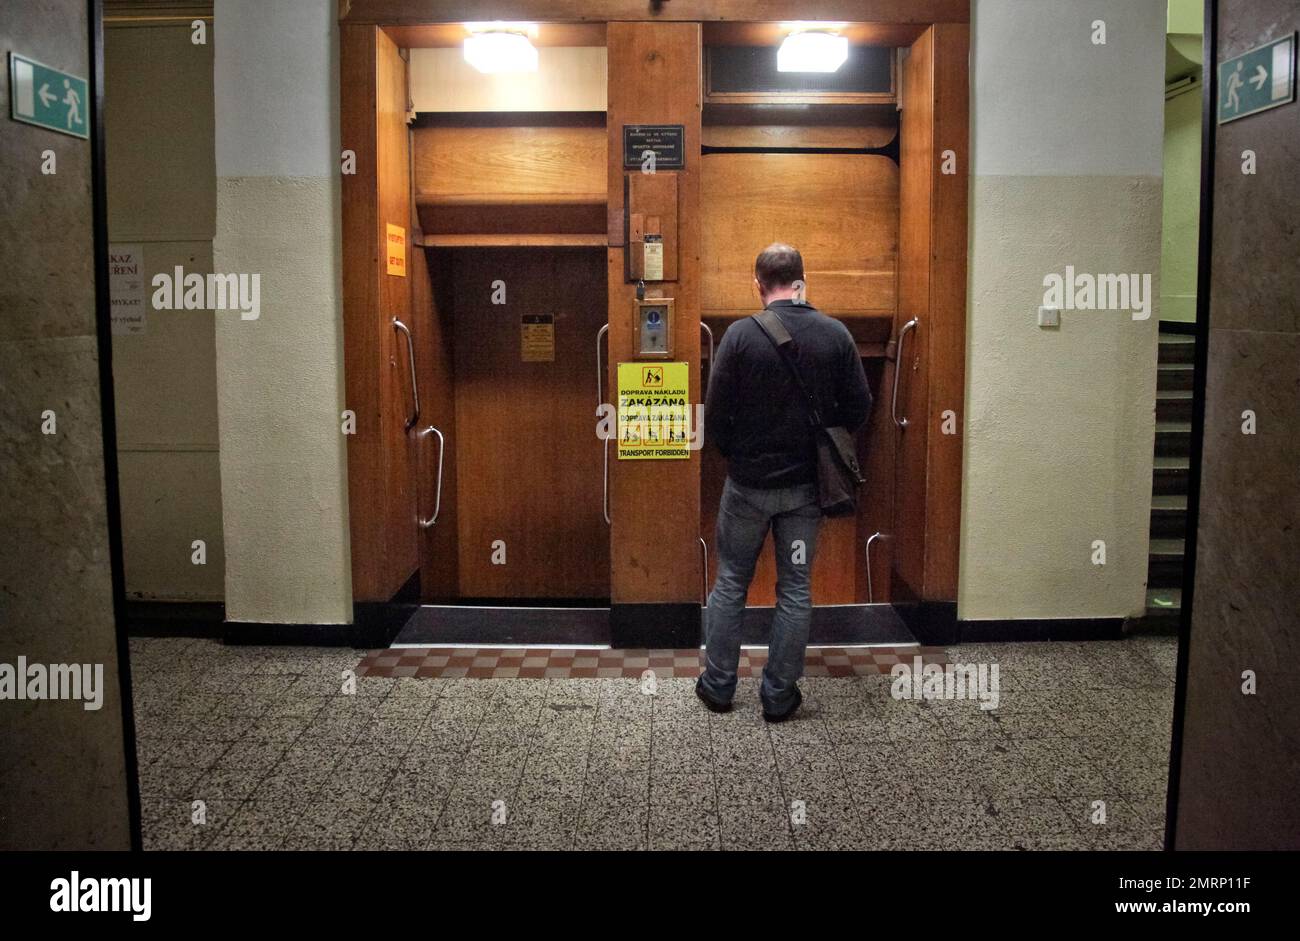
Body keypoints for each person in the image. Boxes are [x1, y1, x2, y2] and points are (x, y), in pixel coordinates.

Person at [697, 243, 872, 721]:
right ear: (801, 280)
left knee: (731, 581)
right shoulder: (836, 335)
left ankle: (718, 686)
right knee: (795, 587)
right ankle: (778, 695)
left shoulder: (738, 337)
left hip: (748, 487)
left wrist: (741, 457)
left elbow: (715, 418)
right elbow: (859, 408)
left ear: (758, 283)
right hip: (805, 491)